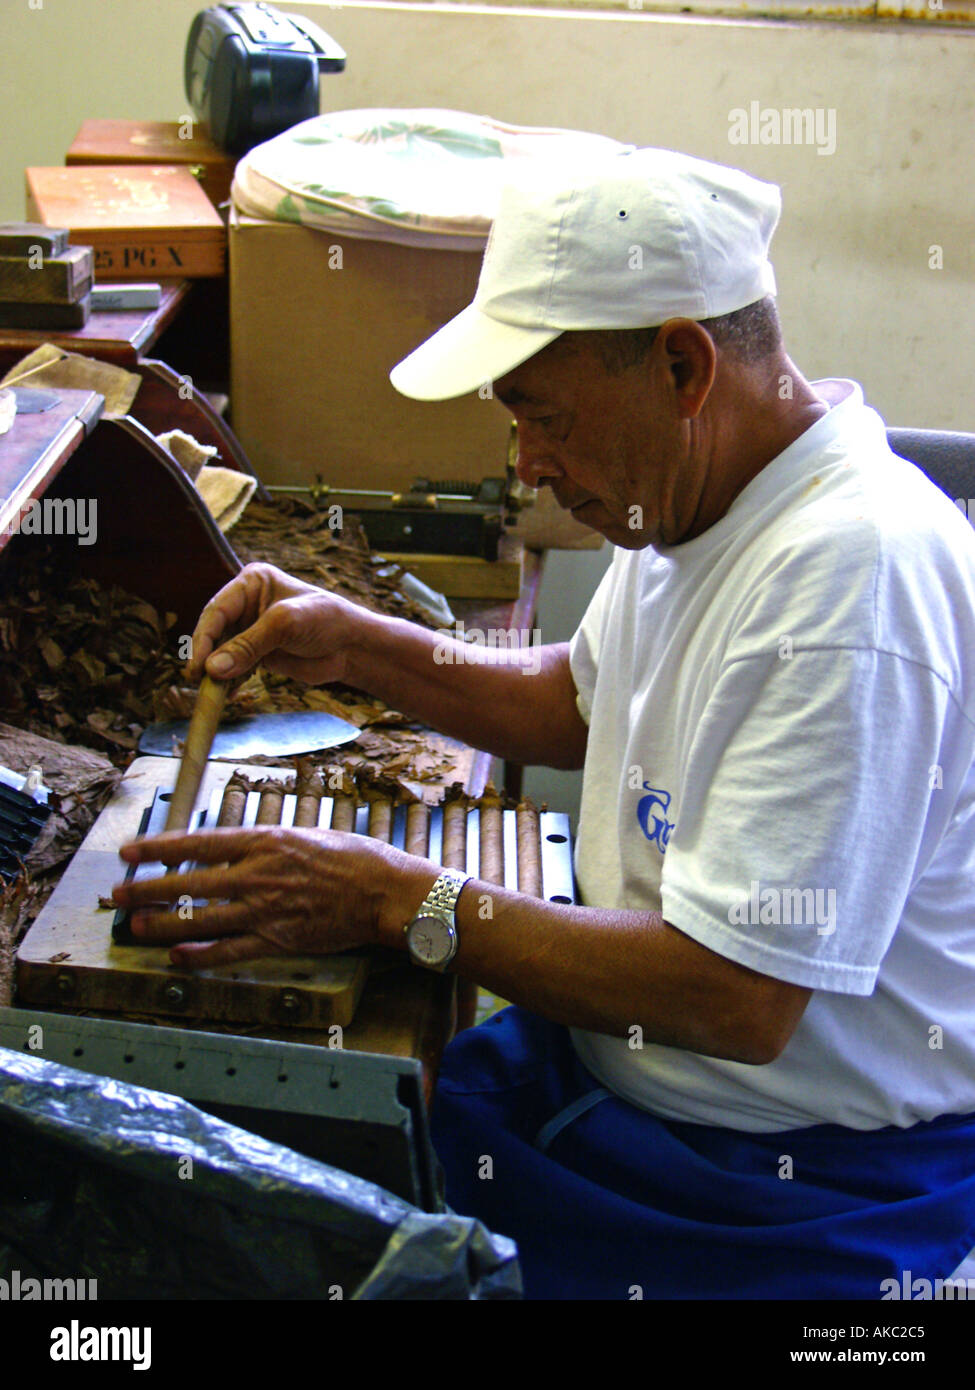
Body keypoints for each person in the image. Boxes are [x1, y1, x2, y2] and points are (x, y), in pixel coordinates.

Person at [114, 148, 975, 1301]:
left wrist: (390, 895)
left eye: (545, 418)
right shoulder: (701, 504)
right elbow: (583, 699)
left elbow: (736, 996)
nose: (526, 467)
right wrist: (358, 641)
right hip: (634, 1091)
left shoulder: (849, 589)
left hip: (787, 1184)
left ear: (683, 364)